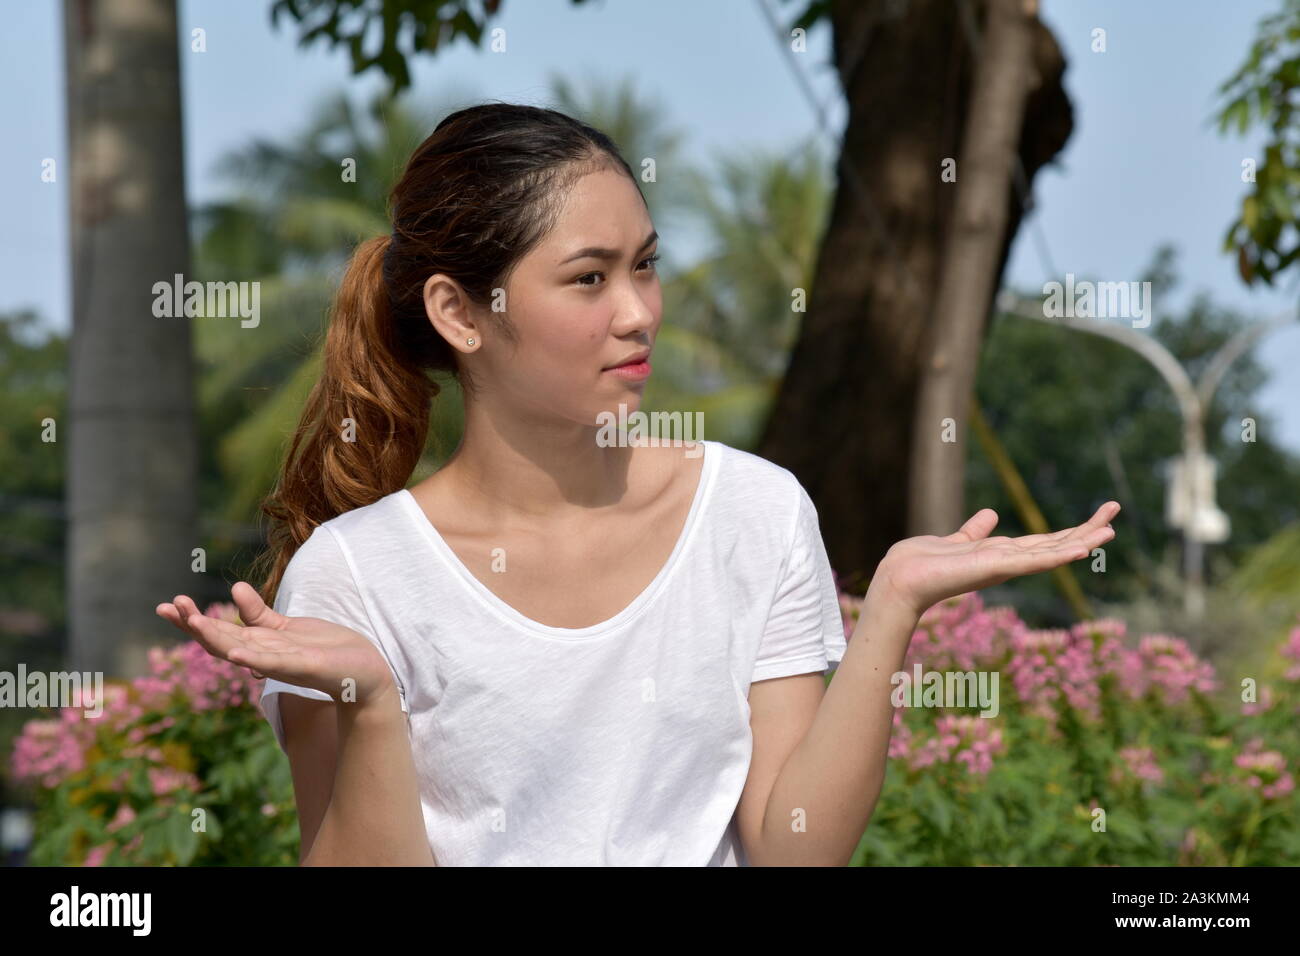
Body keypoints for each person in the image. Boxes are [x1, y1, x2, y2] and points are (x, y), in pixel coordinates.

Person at [156, 102, 1119, 866]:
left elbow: (797, 851)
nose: (640, 313)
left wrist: (894, 607)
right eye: (589, 278)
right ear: (459, 311)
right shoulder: (355, 578)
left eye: (647, 267)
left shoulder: (759, 513)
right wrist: (370, 700)